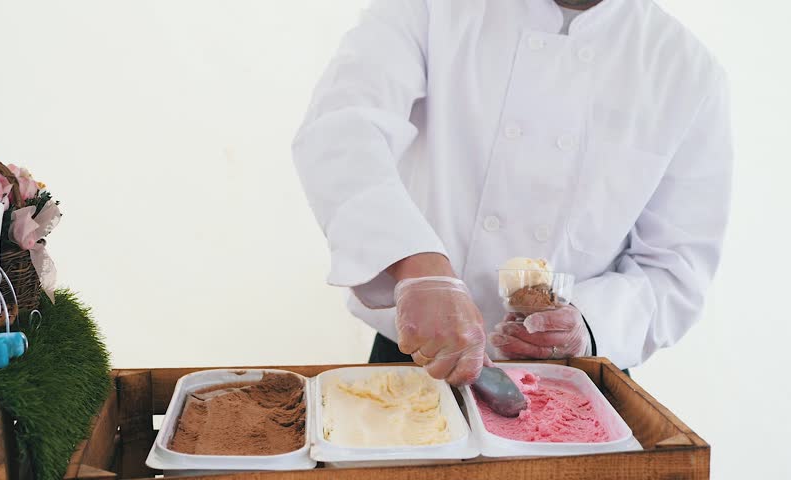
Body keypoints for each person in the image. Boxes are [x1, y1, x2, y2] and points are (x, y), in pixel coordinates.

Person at [292, 0, 732, 386]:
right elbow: (343, 128)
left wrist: (588, 324)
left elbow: (676, 267)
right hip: (415, 357)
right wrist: (417, 264)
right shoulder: (432, 7)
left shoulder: (686, 69)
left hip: (576, 373)